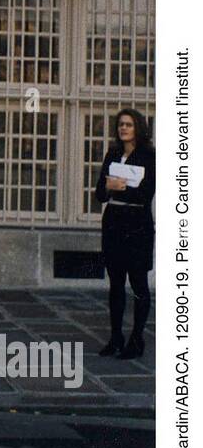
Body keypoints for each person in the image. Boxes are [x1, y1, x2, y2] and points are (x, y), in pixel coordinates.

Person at [94, 108, 155, 359]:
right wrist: (112, 188)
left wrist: (118, 187)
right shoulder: (113, 153)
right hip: (114, 222)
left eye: (129, 124)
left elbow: (146, 193)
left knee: (139, 283)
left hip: (137, 223)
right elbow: (100, 193)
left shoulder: (150, 156)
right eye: (121, 124)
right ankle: (116, 337)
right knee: (115, 283)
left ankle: (136, 338)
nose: (124, 128)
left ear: (138, 128)